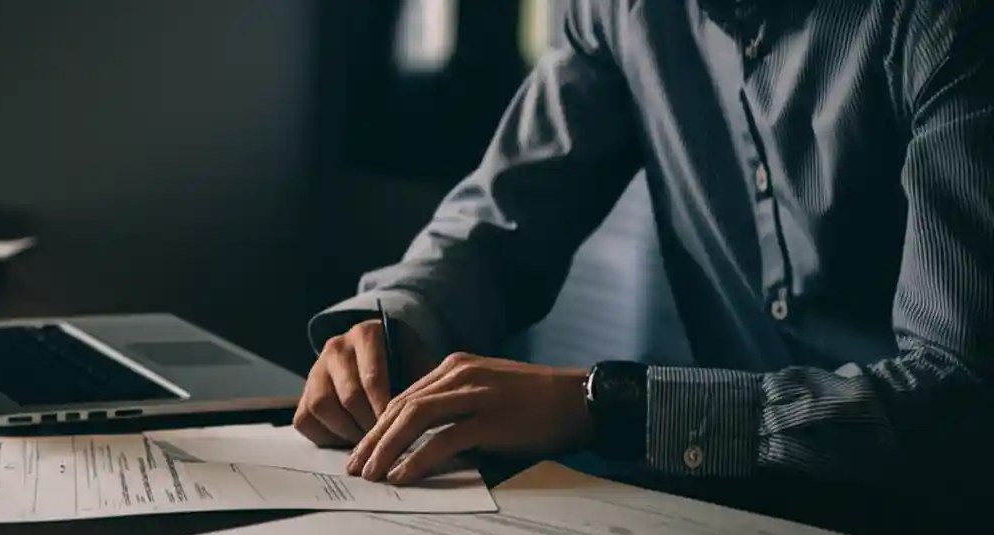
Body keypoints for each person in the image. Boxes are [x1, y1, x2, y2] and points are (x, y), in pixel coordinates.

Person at [293, 0, 993, 493]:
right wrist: (395, 324)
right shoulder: (621, 12)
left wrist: (612, 406)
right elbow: (500, 218)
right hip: (736, 530)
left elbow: (959, 404)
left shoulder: (951, 23)